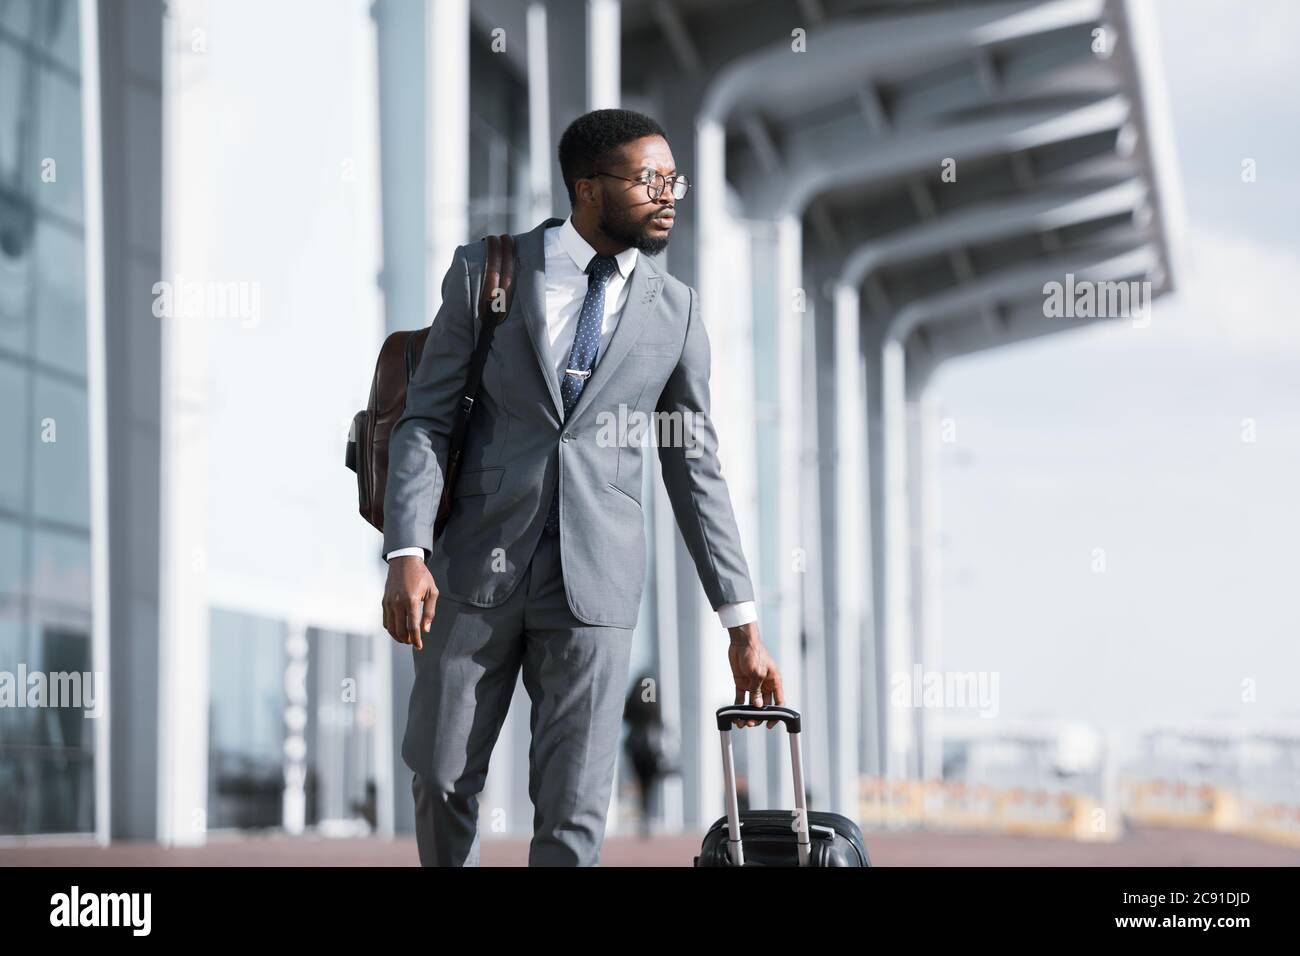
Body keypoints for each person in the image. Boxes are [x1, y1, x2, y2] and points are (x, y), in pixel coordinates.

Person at [380, 108, 784, 866]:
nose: (670, 196)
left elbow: (694, 465)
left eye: (675, 180)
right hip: (471, 570)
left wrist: (742, 622)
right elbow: (426, 421)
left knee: (572, 815)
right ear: (588, 189)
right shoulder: (489, 272)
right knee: (439, 778)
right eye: (650, 180)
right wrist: (407, 549)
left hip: (595, 585)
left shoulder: (677, 309)